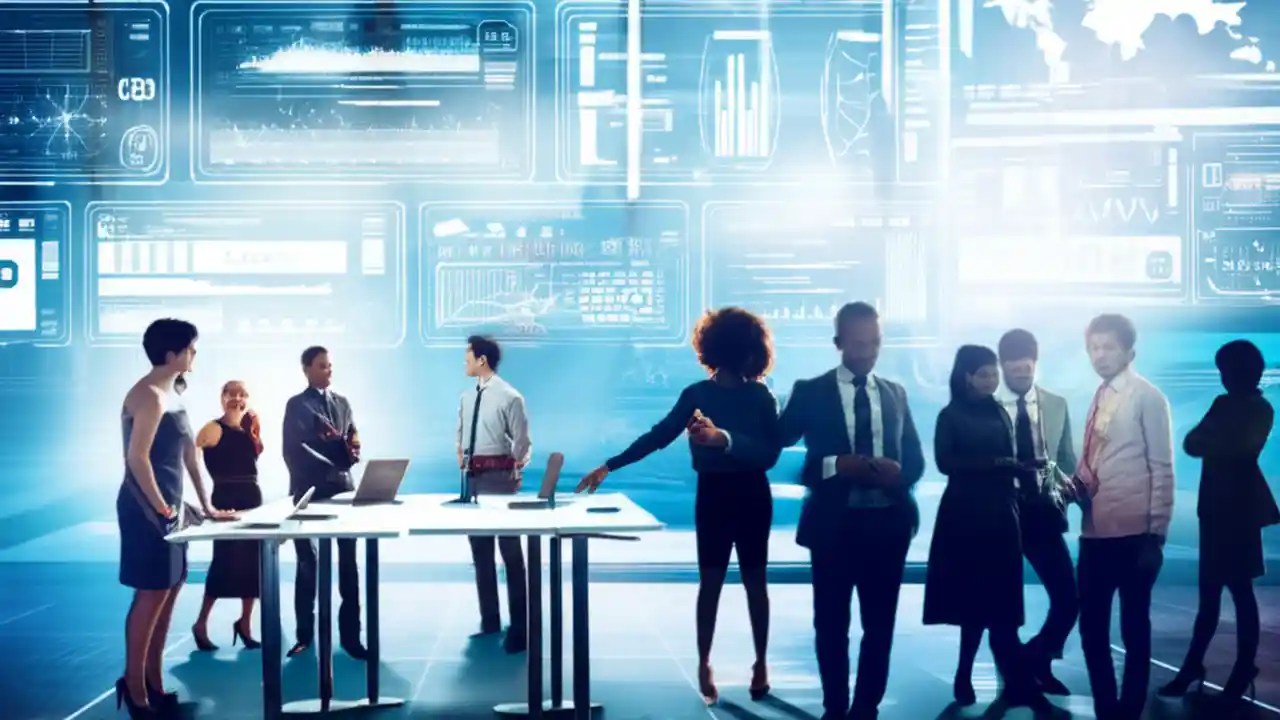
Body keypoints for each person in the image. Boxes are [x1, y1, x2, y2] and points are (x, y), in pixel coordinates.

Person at [577, 307, 781, 704]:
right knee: (726, 583)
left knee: (740, 584)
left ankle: (750, 663)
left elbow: (768, 452)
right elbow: (659, 436)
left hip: (742, 494)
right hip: (726, 495)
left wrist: (722, 438)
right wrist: (610, 465)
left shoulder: (756, 396)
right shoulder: (702, 396)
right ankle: (719, 663)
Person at [777, 302, 924, 720]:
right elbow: (784, 451)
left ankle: (866, 708)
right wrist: (835, 465)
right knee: (831, 626)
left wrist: (895, 475)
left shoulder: (895, 392)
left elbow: (915, 460)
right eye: (858, 344)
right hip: (833, 528)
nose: (867, 352)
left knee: (879, 628)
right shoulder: (810, 390)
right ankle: (835, 708)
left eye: (874, 343)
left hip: (888, 526)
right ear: (838, 343)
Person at [951, 330, 1078, 702]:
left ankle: (1035, 659)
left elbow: (1064, 458)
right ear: (1002, 367)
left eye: (1028, 362)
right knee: (995, 604)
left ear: (1036, 363)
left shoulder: (1056, 404)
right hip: (997, 514)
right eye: (1013, 363)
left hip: (1043, 513)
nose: (1022, 368)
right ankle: (1009, 677)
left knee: (1068, 599)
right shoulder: (985, 405)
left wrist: (1065, 490)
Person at [116, 319, 232, 718]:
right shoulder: (148, 395)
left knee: (169, 592)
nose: (194, 354)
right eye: (190, 348)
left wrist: (207, 504)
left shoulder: (175, 393)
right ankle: (134, 690)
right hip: (145, 508)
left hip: (170, 509)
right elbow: (137, 458)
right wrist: (163, 508)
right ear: (172, 355)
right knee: (150, 596)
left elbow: (188, 458)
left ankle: (153, 682)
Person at [924, 345, 1049, 711]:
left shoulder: (1000, 411)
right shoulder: (950, 415)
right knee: (976, 604)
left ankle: (1013, 680)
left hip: (1001, 513)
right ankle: (968, 672)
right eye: (984, 375)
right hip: (966, 516)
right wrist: (998, 463)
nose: (992, 381)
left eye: (993, 374)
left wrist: (1021, 467)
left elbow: (1007, 459)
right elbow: (946, 462)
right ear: (966, 376)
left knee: (1002, 605)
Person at [1159, 340, 1279, 704]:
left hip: (1236, 510)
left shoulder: (1256, 408)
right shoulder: (1233, 405)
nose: (1224, 377)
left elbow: (1211, 444)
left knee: (1237, 593)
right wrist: (1216, 440)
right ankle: (1204, 665)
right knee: (1215, 594)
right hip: (1219, 509)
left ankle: (1234, 668)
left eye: (1226, 370)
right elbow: (1196, 445)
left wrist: (1214, 439)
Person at [1074, 314, 1174, 720]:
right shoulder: (1099, 395)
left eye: (1108, 347)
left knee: (1134, 628)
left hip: (1134, 534)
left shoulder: (1148, 397)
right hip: (1095, 531)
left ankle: (1129, 709)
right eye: (1094, 347)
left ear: (1129, 351)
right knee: (1092, 630)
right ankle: (1106, 708)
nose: (1100, 355)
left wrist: (1156, 534)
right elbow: (1093, 462)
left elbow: (1162, 468)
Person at [282, 346, 367, 659]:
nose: (328, 371)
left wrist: (350, 458)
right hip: (309, 492)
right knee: (308, 565)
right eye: (321, 366)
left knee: (349, 565)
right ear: (306, 369)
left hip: (343, 490)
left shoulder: (342, 403)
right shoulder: (297, 405)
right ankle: (304, 636)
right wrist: (331, 465)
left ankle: (351, 638)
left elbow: (353, 437)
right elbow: (294, 449)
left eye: (330, 366)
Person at [457, 335, 531, 654]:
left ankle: (519, 626)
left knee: (510, 554)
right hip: (472, 479)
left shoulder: (510, 397)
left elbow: (522, 441)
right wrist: (460, 453)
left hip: (500, 478)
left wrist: (513, 468)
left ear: (482, 360)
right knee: (480, 551)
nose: (465, 362)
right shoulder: (466, 396)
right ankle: (489, 618)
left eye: (468, 357)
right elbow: (460, 431)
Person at [191, 381, 265, 652]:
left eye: (242, 394)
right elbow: (190, 454)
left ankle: (245, 624)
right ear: (221, 398)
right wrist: (202, 497)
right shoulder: (213, 428)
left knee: (253, 564)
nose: (237, 398)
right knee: (223, 561)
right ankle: (200, 624)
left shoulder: (249, 428)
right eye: (231, 394)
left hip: (252, 498)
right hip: (226, 499)